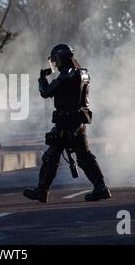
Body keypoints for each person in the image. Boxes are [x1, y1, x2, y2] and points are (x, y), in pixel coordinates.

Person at [23, 44, 111, 203]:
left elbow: (46, 92)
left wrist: (42, 78)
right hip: (78, 123)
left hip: (66, 124)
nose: (55, 63)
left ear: (61, 58)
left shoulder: (66, 75)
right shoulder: (82, 73)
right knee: (84, 157)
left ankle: (42, 191)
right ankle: (101, 187)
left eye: (56, 60)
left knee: (51, 157)